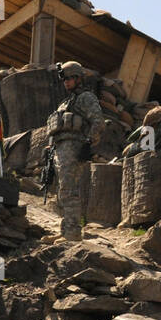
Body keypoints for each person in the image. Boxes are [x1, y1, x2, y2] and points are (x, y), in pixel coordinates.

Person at [47, 61, 104, 240]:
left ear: (78, 78)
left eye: (70, 78)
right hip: (60, 149)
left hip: (74, 149)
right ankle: (65, 230)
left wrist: (88, 144)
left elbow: (98, 122)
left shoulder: (86, 98)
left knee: (69, 190)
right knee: (62, 190)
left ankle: (72, 233)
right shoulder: (67, 102)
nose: (66, 83)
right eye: (64, 79)